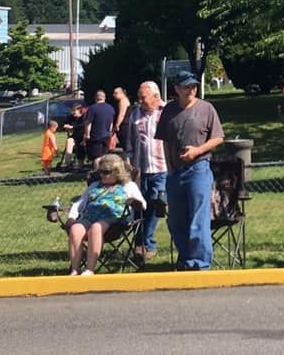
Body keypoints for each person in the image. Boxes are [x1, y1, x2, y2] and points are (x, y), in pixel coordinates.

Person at [155, 70, 224, 270]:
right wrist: (169, 169)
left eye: (193, 86)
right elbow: (165, 142)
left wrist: (197, 151)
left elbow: (218, 137)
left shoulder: (206, 108)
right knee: (176, 221)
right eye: (186, 86)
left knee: (197, 219)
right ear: (176, 89)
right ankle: (186, 259)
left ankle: (200, 263)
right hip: (175, 173)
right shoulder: (169, 110)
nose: (191, 90)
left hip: (199, 169)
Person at [64, 153, 145, 276]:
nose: (102, 175)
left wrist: (134, 202)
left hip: (115, 220)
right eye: (100, 171)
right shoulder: (95, 185)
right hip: (89, 217)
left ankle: (90, 269)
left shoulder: (128, 186)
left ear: (117, 172)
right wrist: (71, 217)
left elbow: (143, 205)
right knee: (75, 229)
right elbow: (79, 203)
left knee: (96, 227)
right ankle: (75, 269)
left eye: (106, 172)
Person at [128, 80, 167, 260]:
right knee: (139, 206)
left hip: (161, 168)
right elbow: (130, 140)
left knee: (154, 204)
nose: (140, 101)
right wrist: (129, 161)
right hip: (140, 168)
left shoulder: (166, 112)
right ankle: (140, 243)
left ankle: (147, 243)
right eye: (139, 97)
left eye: (143, 97)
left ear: (156, 96)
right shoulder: (135, 114)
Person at [84, 90, 116, 163]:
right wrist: (110, 133)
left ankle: (97, 172)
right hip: (107, 135)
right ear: (104, 98)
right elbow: (111, 122)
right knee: (104, 156)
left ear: (96, 98)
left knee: (96, 157)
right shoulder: (111, 108)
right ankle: (103, 172)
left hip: (96, 135)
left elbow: (88, 123)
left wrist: (87, 134)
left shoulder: (93, 108)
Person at [61, 102, 86, 169]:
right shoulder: (70, 117)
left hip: (83, 137)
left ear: (79, 110)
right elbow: (63, 123)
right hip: (74, 136)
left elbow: (83, 125)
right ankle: (67, 162)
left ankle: (80, 165)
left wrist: (72, 127)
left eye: (74, 111)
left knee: (80, 147)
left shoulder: (84, 117)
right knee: (69, 141)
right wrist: (65, 126)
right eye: (72, 111)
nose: (73, 113)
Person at [112, 86, 132, 151]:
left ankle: (127, 159)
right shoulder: (124, 100)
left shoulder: (122, 101)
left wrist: (117, 125)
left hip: (124, 125)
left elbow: (122, 114)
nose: (113, 95)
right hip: (126, 124)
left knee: (125, 145)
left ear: (121, 93)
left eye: (116, 93)